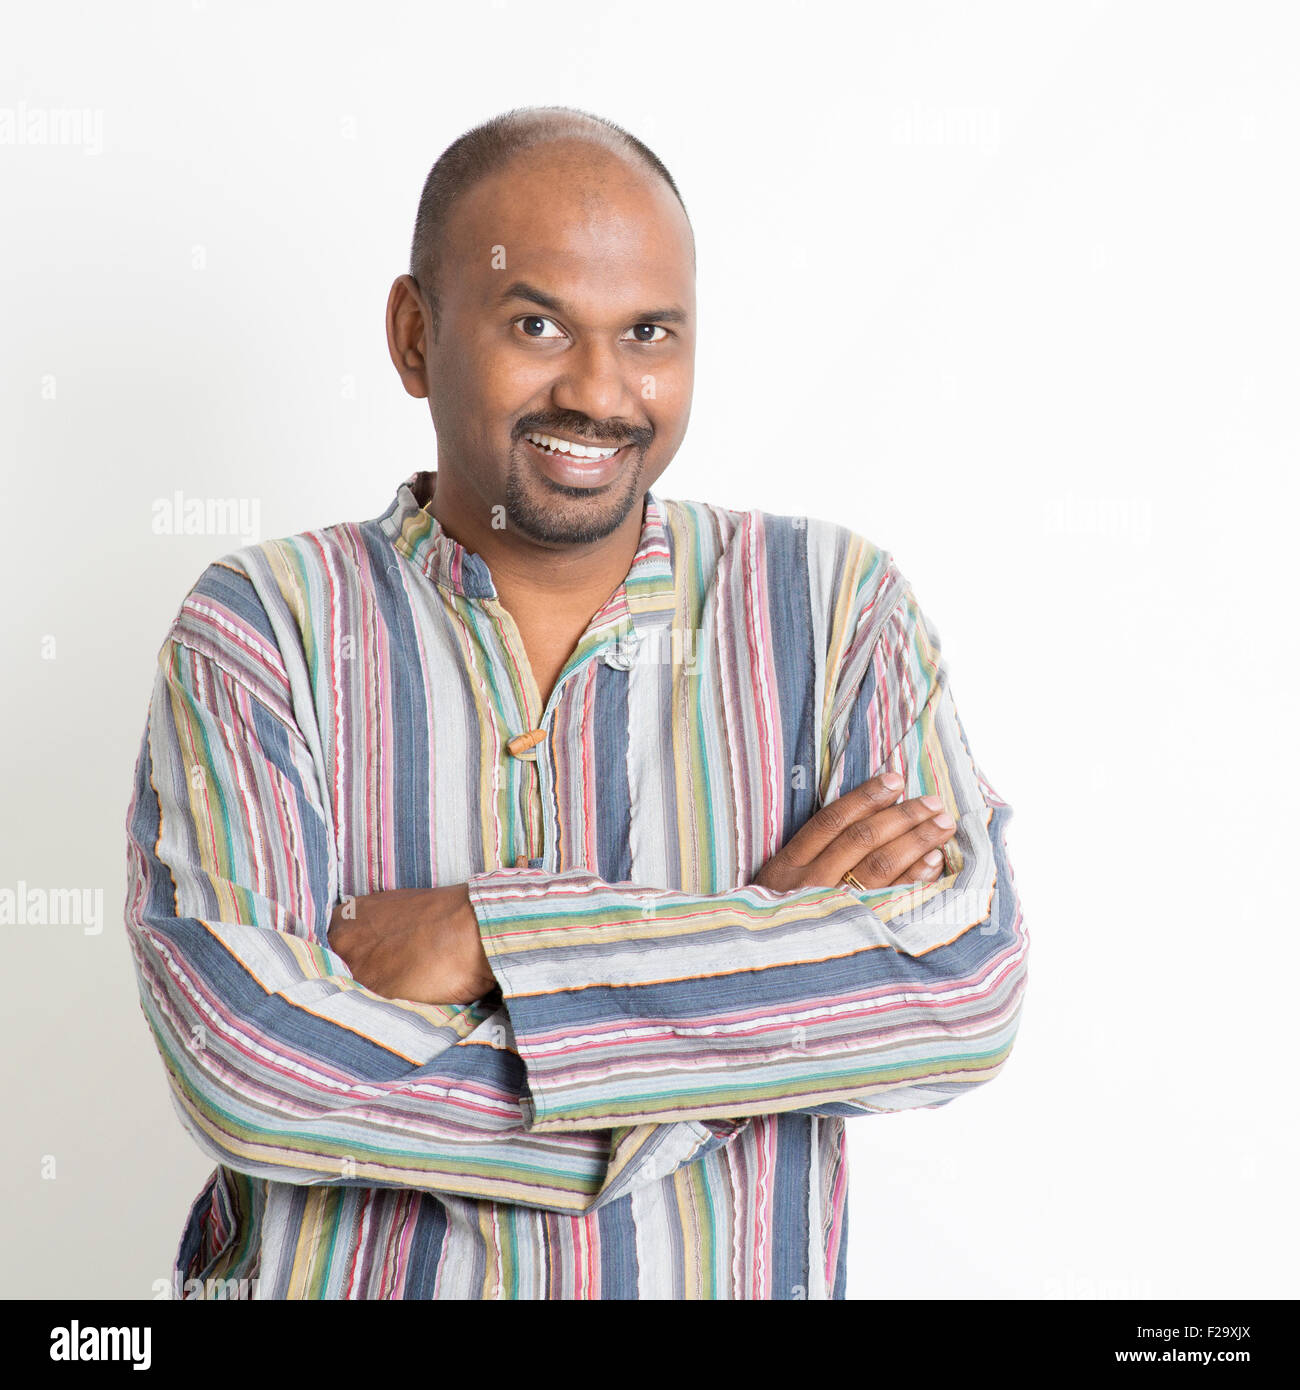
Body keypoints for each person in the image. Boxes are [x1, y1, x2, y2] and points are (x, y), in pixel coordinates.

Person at [123, 105, 1028, 1300]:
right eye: (537, 324)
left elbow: (958, 993)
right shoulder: (264, 626)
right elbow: (253, 1073)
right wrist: (758, 964)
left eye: (648, 332)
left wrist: (486, 935)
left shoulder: (833, 607)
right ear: (414, 336)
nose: (601, 391)